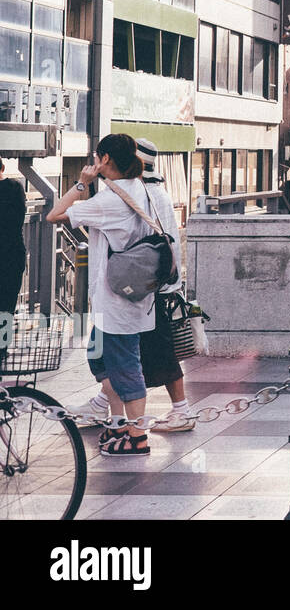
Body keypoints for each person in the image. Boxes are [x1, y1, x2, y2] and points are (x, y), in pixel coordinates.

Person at [46, 134, 181, 456]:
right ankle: (119, 423)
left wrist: (81, 184)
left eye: (97, 156)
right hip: (139, 294)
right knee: (109, 361)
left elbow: (54, 215)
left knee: (125, 366)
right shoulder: (143, 190)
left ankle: (136, 436)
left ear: (105, 159)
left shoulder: (109, 200)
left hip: (116, 300)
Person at [74, 139, 194, 433]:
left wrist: (80, 187)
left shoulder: (137, 194)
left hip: (140, 291)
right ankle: (107, 406)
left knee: (139, 355)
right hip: (146, 288)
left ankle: (170, 414)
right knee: (120, 353)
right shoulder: (148, 192)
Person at [0, 158, 26, 319]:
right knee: (6, 308)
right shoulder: (15, 187)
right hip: (12, 255)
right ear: (3, 167)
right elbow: (18, 218)